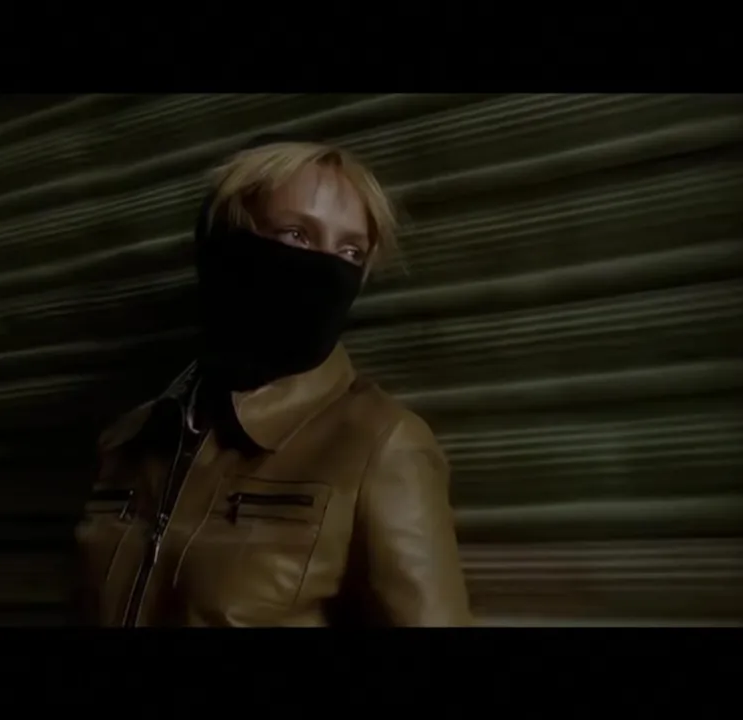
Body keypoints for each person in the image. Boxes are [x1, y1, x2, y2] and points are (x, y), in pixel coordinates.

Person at [73, 135, 472, 627]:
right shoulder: (130, 440)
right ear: (225, 248)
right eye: (297, 235)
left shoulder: (381, 444)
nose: (326, 269)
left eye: (350, 251)